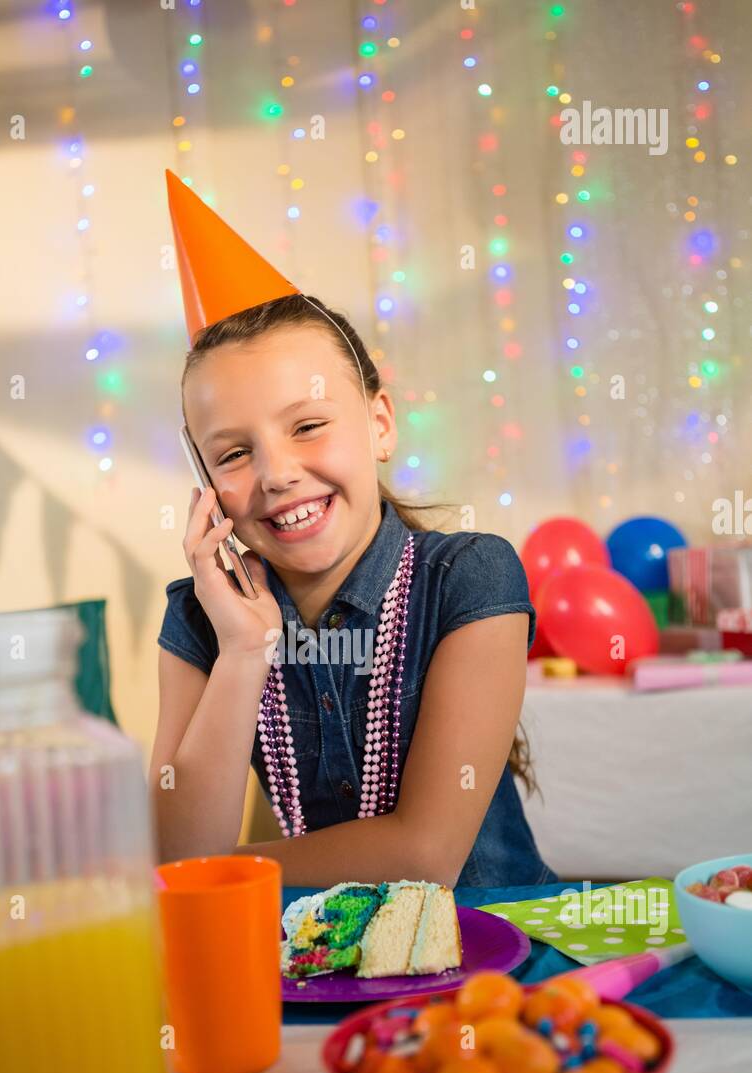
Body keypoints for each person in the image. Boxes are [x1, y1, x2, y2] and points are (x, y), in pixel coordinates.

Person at [150, 173, 558, 891]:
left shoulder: (470, 576)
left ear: (379, 423)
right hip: (315, 966)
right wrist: (244, 651)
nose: (276, 474)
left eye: (307, 426)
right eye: (234, 453)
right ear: (206, 482)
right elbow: (182, 842)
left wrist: (208, 874)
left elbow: (423, 857)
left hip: (493, 952)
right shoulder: (198, 620)